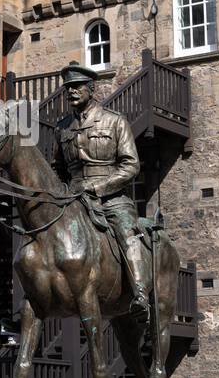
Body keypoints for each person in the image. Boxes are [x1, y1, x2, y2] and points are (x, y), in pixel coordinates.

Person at [53, 62, 148, 315]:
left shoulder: (114, 122)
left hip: (111, 198)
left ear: (91, 89)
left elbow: (131, 166)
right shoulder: (62, 128)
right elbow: (58, 167)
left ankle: (140, 293)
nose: (71, 92)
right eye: (68, 88)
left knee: (127, 232)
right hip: (74, 199)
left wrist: (99, 187)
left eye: (76, 87)